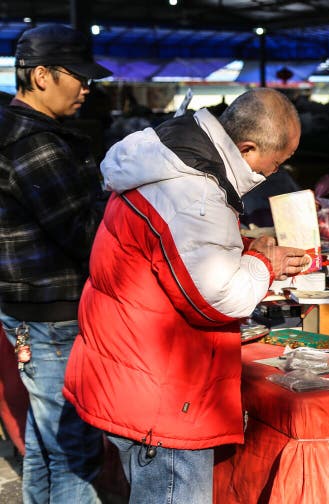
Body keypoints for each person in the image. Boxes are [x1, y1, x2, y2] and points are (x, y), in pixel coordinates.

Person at [62, 89, 308, 503]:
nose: (275, 171)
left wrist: (245, 252)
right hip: (163, 394)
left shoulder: (173, 161)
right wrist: (266, 266)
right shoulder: (192, 192)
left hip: (136, 373)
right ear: (247, 148)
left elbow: (177, 258)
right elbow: (219, 299)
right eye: (277, 162)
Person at [0, 24, 111, 504]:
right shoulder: (36, 144)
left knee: (47, 447)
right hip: (52, 318)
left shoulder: (20, 132)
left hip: (32, 312)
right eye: (79, 76)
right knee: (75, 451)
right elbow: (85, 235)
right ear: (41, 75)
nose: (87, 87)